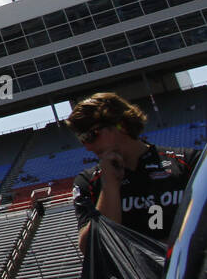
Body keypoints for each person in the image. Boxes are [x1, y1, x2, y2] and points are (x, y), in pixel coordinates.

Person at [67, 92, 198, 251]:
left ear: (120, 125)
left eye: (91, 135)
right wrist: (109, 186)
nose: (87, 146)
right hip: (132, 275)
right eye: (82, 139)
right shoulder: (88, 181)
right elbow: (92, 247)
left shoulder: (187, 162)